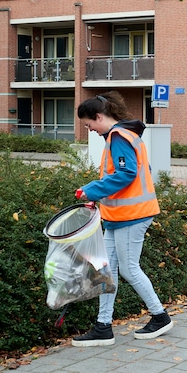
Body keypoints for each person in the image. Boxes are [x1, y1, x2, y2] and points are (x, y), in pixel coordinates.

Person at [72, 91, 171, 347]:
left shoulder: (117, 137)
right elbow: (138, 172)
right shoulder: (127, 136)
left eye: (88, 124)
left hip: (132, 216)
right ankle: (103, 326)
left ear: (99, 116)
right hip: (121, 215)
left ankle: (159, 316)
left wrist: (92, 190)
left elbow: (127, 173)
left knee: (127, 269)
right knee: (107, 272)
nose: (89, 129)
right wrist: (100, 195)